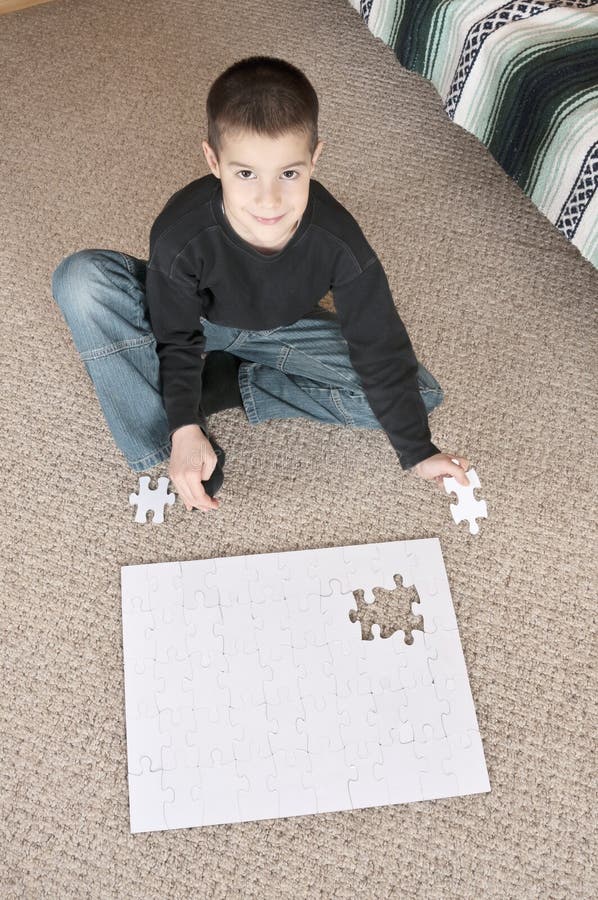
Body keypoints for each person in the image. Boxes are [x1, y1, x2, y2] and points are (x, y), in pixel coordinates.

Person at [52, 55, 469, 514]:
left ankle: (227, 382)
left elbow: (378, 342)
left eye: (289, 174)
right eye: (245, 173)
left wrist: (419, 452)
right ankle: (179, 438)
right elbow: (177, 335)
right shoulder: (182, 233)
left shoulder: (338, 240)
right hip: (197, 319)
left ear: (314, 159)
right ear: (214, 161)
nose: (268, 200)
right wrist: (185, 425)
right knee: (81, 281)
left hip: (280, 327)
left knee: (419, 397)